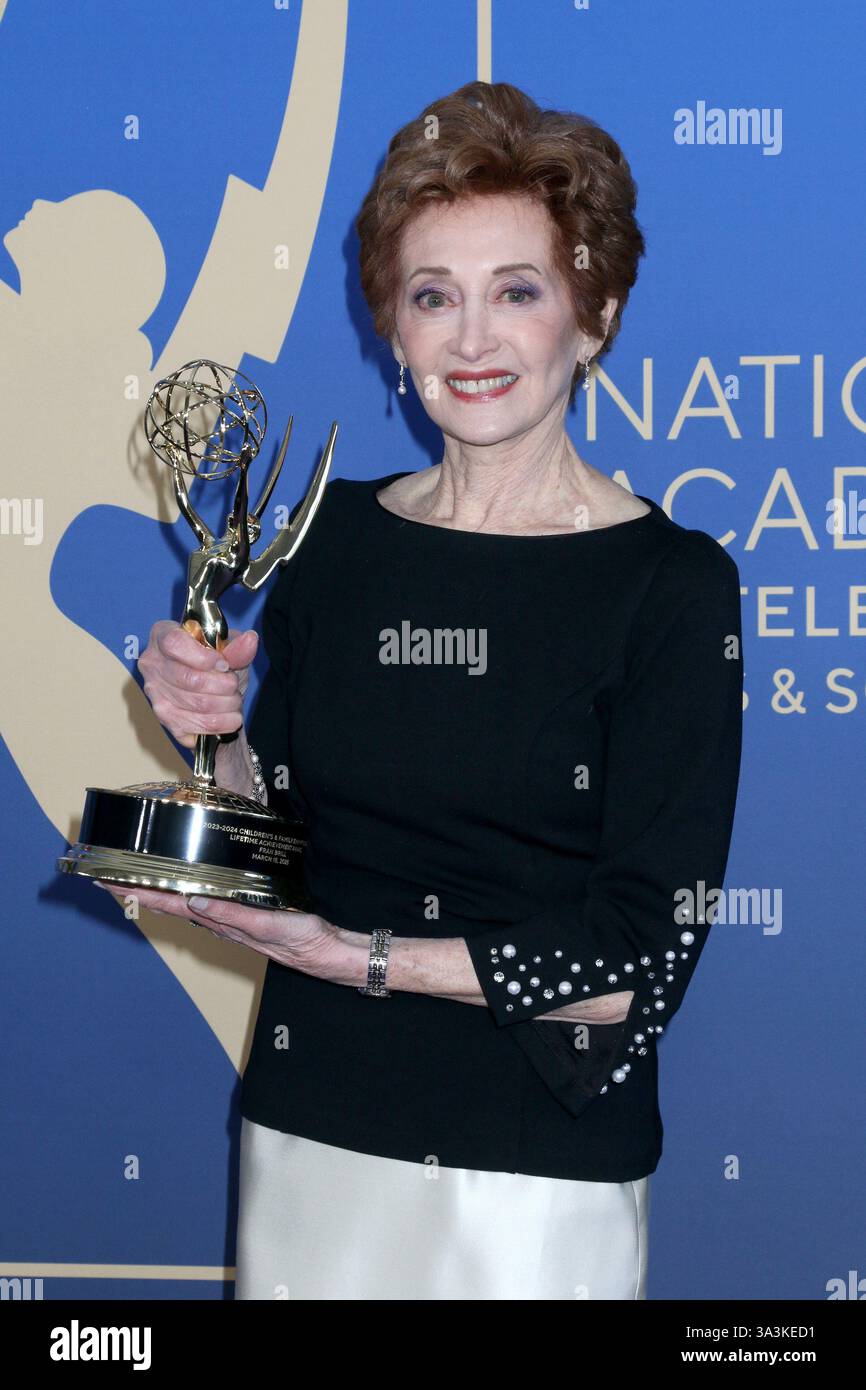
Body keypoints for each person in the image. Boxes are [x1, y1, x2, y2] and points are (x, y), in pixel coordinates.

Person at [119, 80, 744, 1300]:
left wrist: (353, 954)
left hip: (533, 1169)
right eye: (431, 298)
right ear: (391, 333)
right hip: (314, 1127)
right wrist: (213, 734)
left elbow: (633, 960)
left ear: (594, 312)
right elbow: (277, 844)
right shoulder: (328, 543)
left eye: (517, 292)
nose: (471, 341)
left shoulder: (668, 586)